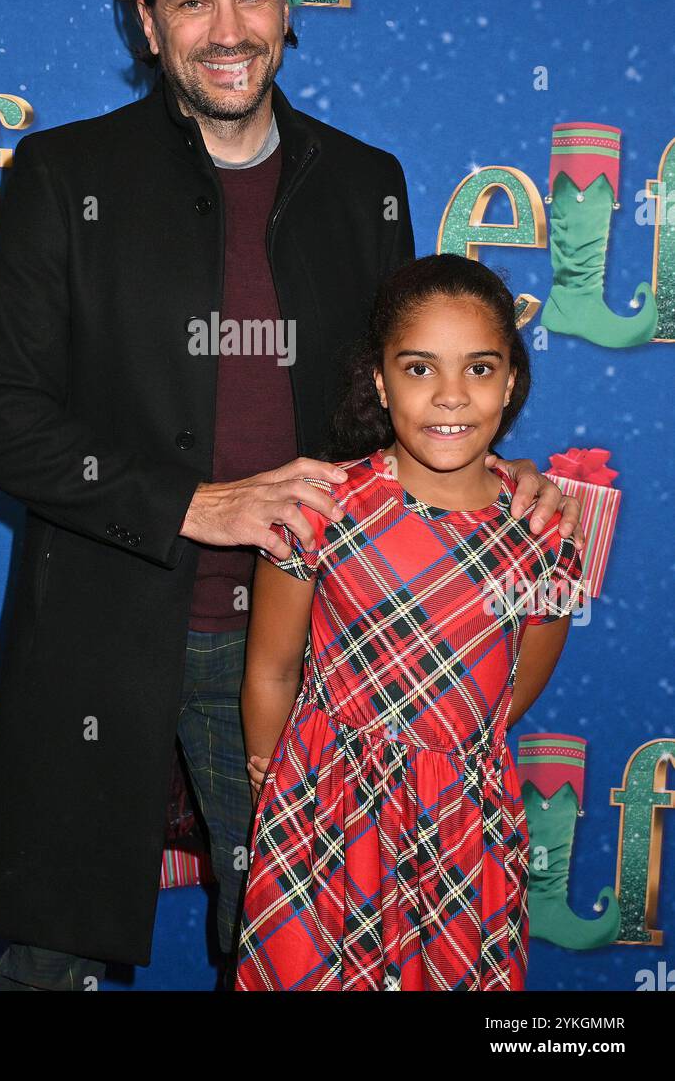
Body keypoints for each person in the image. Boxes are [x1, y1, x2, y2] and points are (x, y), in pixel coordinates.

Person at [0, 0, 583, 991]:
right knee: (50, 951)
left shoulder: (365, 184)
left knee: (294, 945)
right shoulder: (64, 176)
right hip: (109, 625)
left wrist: (495, 473)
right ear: (145, 23)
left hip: (309, 652)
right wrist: (194, 503)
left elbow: (398, 391)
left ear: (288, 7)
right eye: (190, 4)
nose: (227, 31)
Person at [236, 253, 582, 992]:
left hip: (462, 829)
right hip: (323, 820)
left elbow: (520, 681)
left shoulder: (544, 532)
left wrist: (444, 753)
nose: (451, 397)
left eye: (480, 369)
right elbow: (271, 667)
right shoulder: (321, 508)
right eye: (421, 369)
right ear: (381, 380)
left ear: (512, 380)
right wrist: (283, 784)